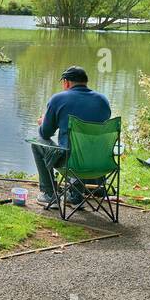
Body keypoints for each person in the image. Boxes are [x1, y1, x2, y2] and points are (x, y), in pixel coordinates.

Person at [30, 65, 111, 209]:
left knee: (37, 142)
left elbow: (45, 134)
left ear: (66, 82)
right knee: (83, 148)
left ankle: (49, 194)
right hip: (100, 165)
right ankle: (75, 195)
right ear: (85, 82)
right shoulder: (103, 100)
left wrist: (43, 122)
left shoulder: (58, 99)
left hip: (72, 164)